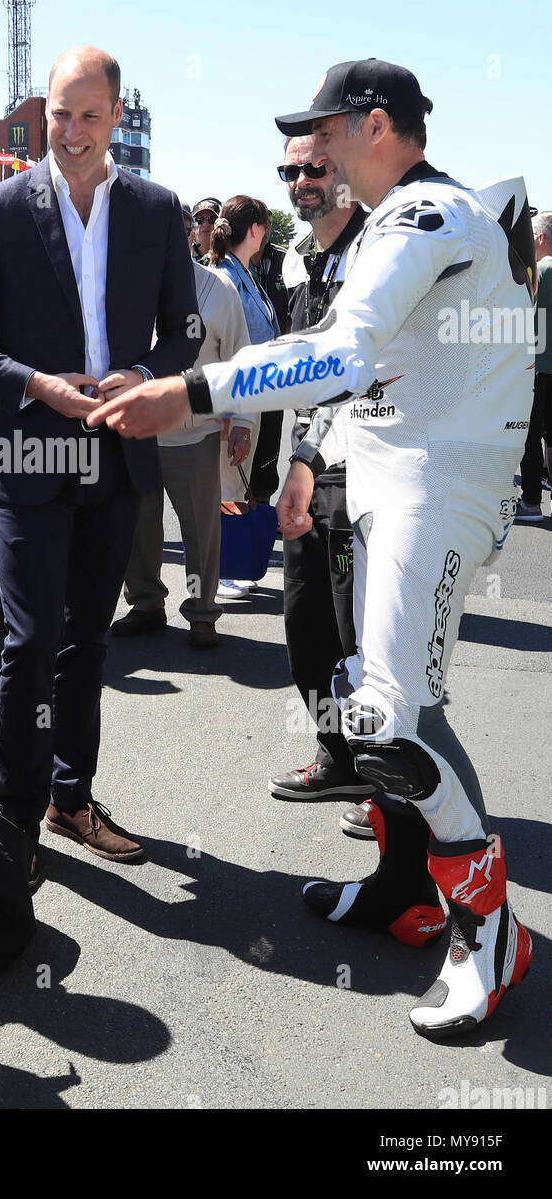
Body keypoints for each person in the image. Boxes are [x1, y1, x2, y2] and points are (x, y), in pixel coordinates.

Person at [89, 58, 534, 1038]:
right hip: (373, 478)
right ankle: (404, 890)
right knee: (354, 696)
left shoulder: (427, 216)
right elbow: (366, 378)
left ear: (374, 126)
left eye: (322, 132)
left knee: (389, 719)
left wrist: (188, 392)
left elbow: (342, 350)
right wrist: (310, 465)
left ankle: (486, 930)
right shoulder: (385, 224)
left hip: (432, 484)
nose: (311, 156)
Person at [0, 45, 200, 887]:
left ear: (116, 115)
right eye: (60, 112)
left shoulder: (159, 210)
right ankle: (14, 824)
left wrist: (145, 373)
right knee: (31, 639)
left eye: (90, 114)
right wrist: (35, 385)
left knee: (87, 641)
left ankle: (70, 797)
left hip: (116, 456)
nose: (73, 130)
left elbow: (186, 332)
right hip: (26, 451)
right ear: (41, 112)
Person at [267, 138, 375, 827]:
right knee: (306, 627)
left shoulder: (381, 256)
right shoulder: (304, 265)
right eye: (290, 170)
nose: (301, 181)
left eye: (315, 168)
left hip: (371, 483)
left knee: (365, 640)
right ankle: (337, 758)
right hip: (314, 477)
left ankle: (391, 781)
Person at [113, 198, 253, 648]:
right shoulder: (125, 285)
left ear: (193, 234)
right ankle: (146, 604)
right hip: (136, 430)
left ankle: (201, 612)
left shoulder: (217, 290)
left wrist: (245, 421)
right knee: (138, 527)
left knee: (200, 532)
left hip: (197, 432)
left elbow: (240, 358)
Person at [208, 195, 281, 596]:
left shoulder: (244, 273)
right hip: (230, 400)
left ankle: (228, 567)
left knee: (235, 484)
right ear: (255, 229)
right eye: (264, 227)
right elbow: (217, 348)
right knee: (224, 484)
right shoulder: (223, 276)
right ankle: (220, 572)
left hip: (252, 400)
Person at [517, 211, 551, 519]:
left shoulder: (539, 270)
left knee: (529, 435)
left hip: (538, 366)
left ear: (540, 238)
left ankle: (530, 502)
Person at [191, 195, 221, 263]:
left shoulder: (229, 257)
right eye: (200, 220)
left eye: (211, 219)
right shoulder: (183, 256)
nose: (205, 224)